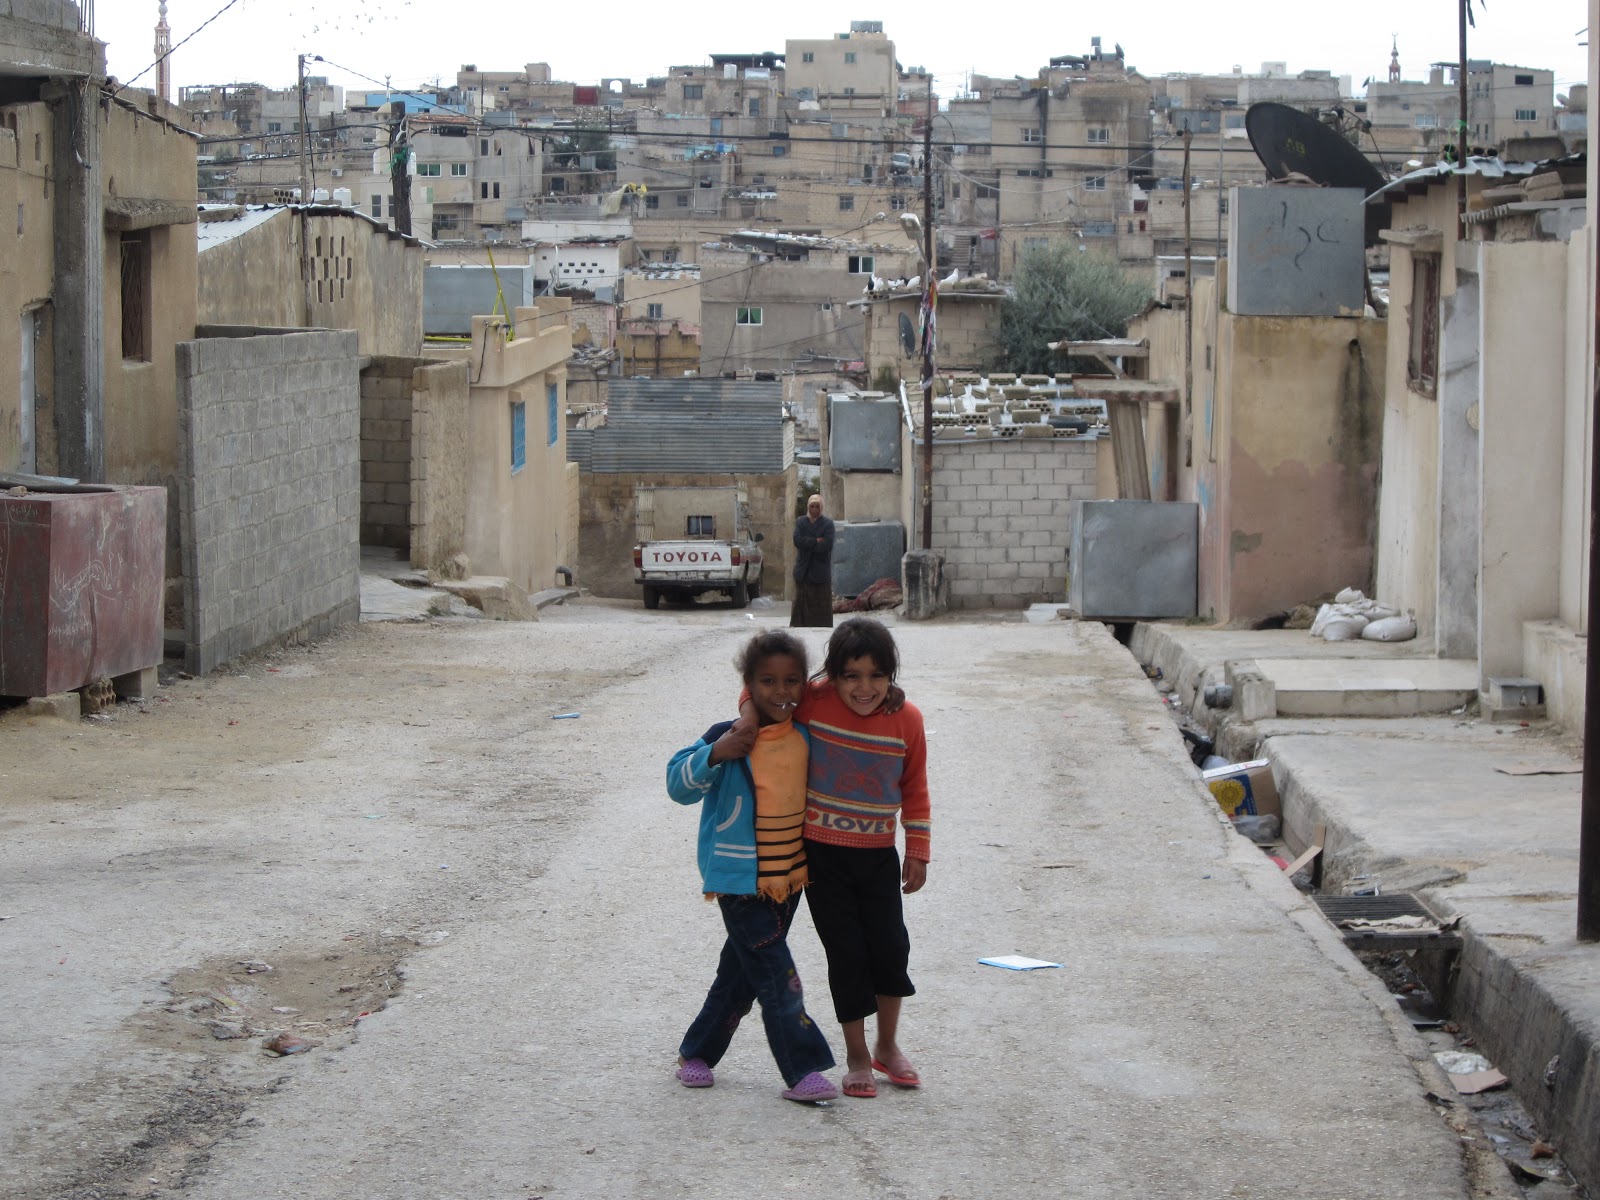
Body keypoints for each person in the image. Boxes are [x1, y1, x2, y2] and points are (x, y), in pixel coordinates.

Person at [739, 616, 930, 1100]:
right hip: (822, 857)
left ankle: (888, 1046)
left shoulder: (907, 720)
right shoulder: (814, 702)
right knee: (846, 954)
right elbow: (766, 697)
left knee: (891, 949)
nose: (864, 688)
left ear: (891, 676)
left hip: (878, 855)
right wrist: (744, 714)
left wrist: (919, 849)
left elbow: (915, 787)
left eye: (876, 676)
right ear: (833, 675)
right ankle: (858, 1057)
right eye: (852, 676)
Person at [668, 630, 839, 1104]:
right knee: (778, 975)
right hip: (740, 883)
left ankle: (696, 1053)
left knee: (740, 975)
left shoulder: (805, 733)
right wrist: (716, 753)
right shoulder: (730, 736)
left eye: (790, 682)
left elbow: (842, 695)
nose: (780, 692)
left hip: (790, 881)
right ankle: (802, 1068)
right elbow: (676, 784)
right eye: (767, 682)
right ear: (748, 684)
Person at [790, 493, 835, 628]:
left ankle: (821, 625)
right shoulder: (801, 522)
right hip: (803, 569)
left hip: (820, 570)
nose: (814, 509)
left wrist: (807, 543)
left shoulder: (827, 524)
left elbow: (827, 545)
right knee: (801, 601)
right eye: (812, 506)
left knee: (820, 601)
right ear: (808, 507)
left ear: (821, 508)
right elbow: (797, 541)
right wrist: (815, 540)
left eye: (817, 506)